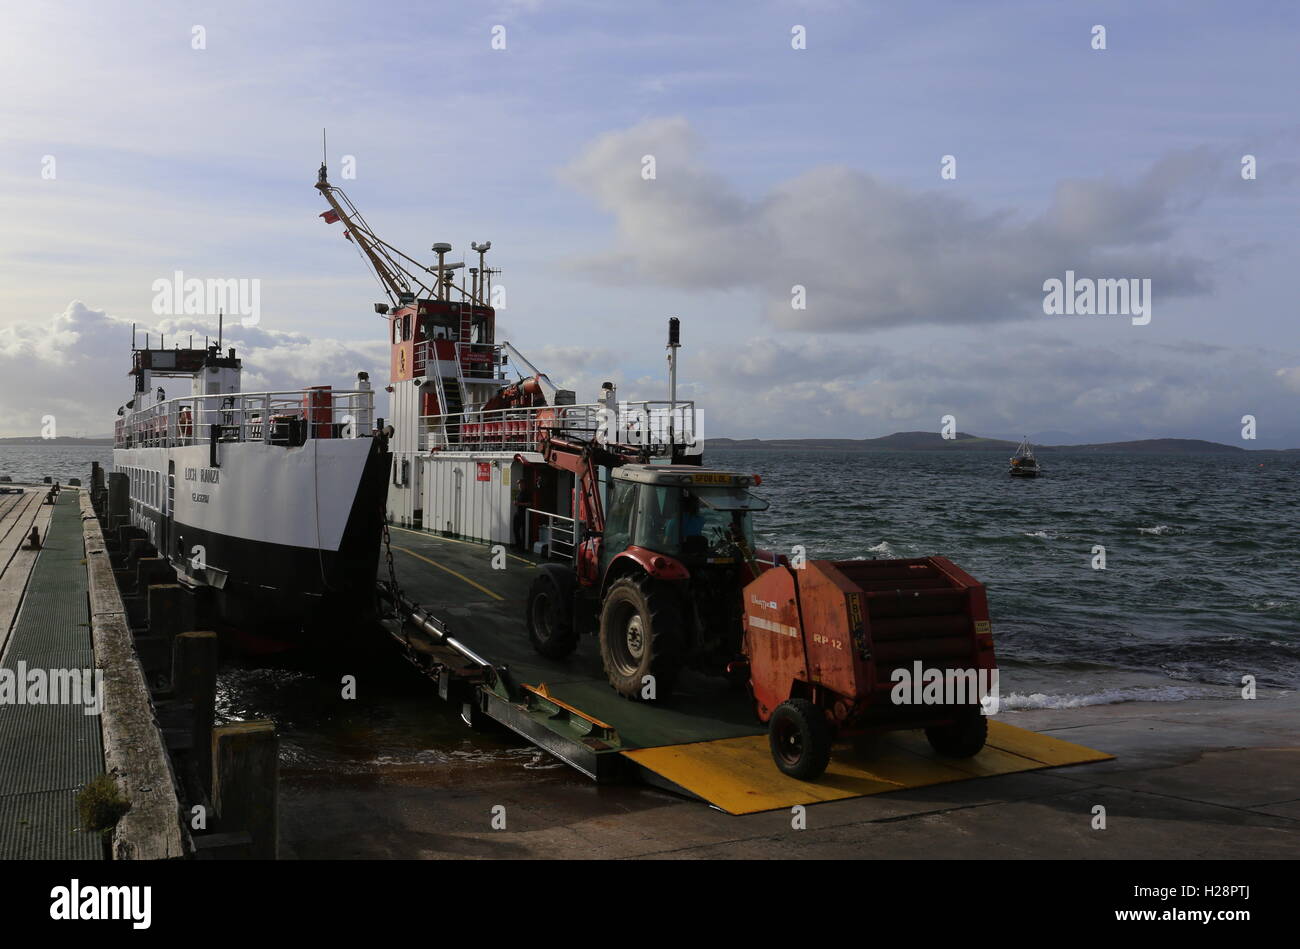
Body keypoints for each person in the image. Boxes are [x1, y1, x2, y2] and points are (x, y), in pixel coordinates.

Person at [512, 477, 531, 549]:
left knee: (524, 531)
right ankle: (518, 544)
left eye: (520, 484)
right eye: (518, 484)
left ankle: (523, 546)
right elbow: (516, 501)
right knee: (515, 529)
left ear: (524, 484)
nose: (519, 485)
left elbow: (529, 504)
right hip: (518, 513)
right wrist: (515, 502)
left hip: (524, 514)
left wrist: (519, 504)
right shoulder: (518, 492)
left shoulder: (527, 493)